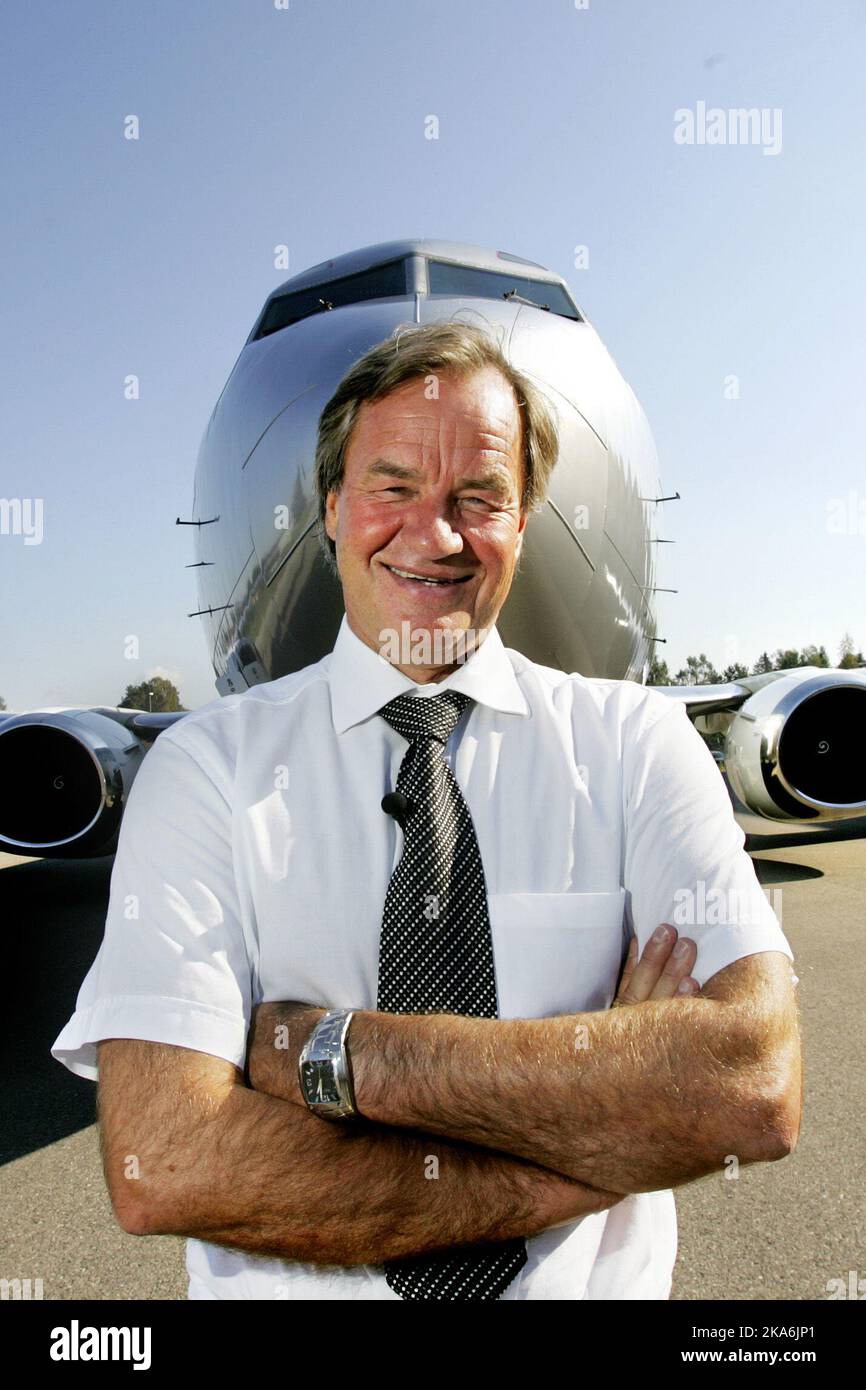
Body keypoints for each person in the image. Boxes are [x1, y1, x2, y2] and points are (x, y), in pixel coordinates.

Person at [52, 320, 801, 1300]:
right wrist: (604, 1121)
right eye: (392, 488)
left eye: (476, 498)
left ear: (525, 519)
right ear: (331, 508)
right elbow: (165, 1165)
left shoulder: (633, 744)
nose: (433, 534)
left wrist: (328, 1050)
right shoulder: (204, 769)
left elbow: (747, 1087)